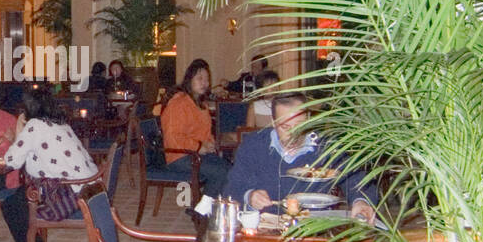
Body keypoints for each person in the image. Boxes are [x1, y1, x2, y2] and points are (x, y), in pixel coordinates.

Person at [226, 92, 375, 222]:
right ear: (273, 122)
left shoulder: (326, 146)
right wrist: (249, 196)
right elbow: (232, 188)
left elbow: (359, 181)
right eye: (285, 127)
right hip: (266, 228)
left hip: (315, 230)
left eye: (300, 126)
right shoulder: (254, 145)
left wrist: (361, 201)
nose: (293, 135)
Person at [2, 88, 97, 242]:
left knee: (11, 205)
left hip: (69, 194)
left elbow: (11, 161)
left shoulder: (35, 126)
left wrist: (18, 128)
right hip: (90, 189)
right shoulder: (62, 124)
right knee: (20, 197)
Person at [160, 58, 229, 196]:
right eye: (200, 78)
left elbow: (204, 132)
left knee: (229, 167)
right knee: (221, 171)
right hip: (179, 156)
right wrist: (199, 146)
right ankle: (202, 211)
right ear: (189, 79)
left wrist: (210, 143)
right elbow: (173, 137)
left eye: (207, 79)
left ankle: (208, 207)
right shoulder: (178, 103)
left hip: (196, 153)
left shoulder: (200, 104)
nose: (204, 83)